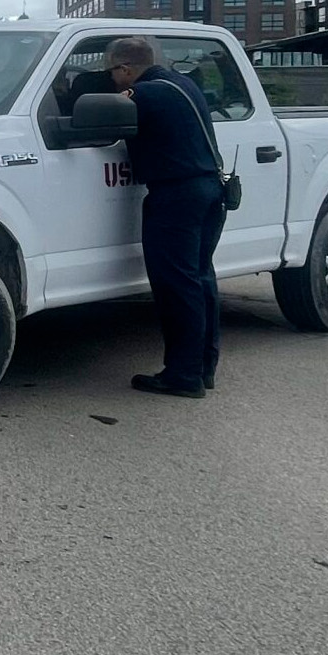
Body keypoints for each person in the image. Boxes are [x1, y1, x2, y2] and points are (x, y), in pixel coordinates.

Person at [105, 37, 226, 399]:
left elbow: (104, 124)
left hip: (176, 197)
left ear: (125, 69)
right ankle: (203, 368)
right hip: (209, 191)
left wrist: (123, 98)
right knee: (200, 279)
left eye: (111, 71)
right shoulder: (183, 84)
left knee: (176, 285)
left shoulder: (142, 95)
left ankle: (182, 376)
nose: (111, 79)